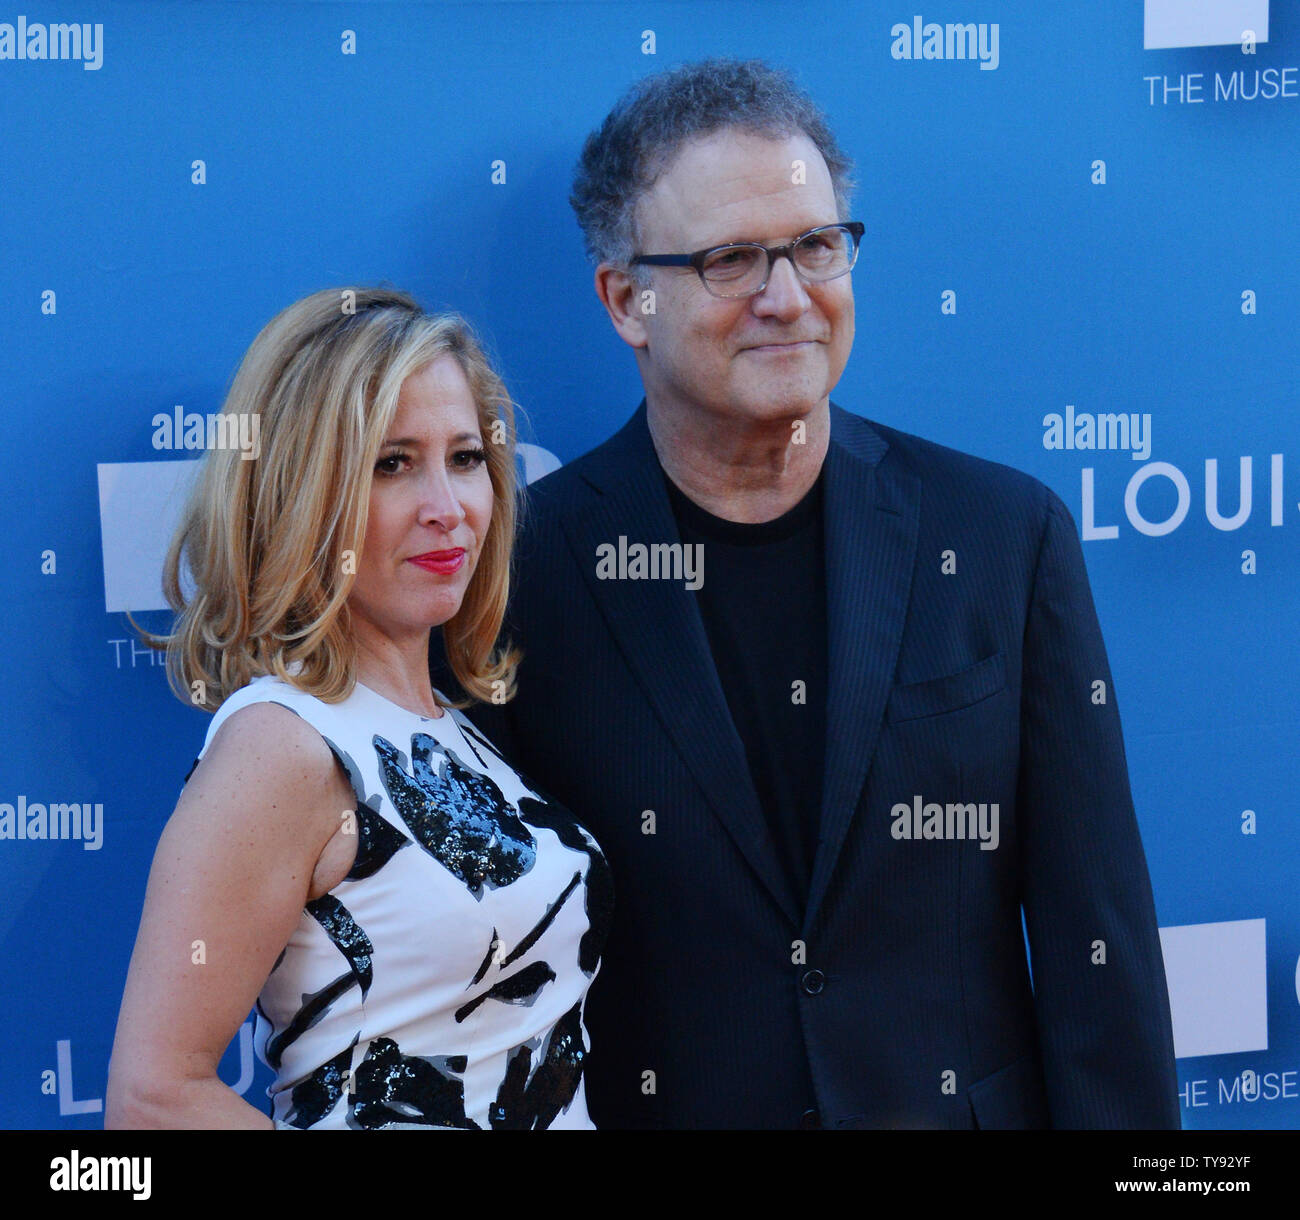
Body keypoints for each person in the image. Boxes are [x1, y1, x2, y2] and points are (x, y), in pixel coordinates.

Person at [455, 60, 1180, 1129]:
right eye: (729, 260)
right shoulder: (520, 571)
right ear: (625, 300)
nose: (786, 296)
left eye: (815, 245)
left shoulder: (1000, 537)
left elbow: (1096, 939)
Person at [106, 287, 611, 1130]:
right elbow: (155, 1098)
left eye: (465, 458)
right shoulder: (284, 744)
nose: (447, 507)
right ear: (307, 493)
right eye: (392, 464)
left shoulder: (447, 735)